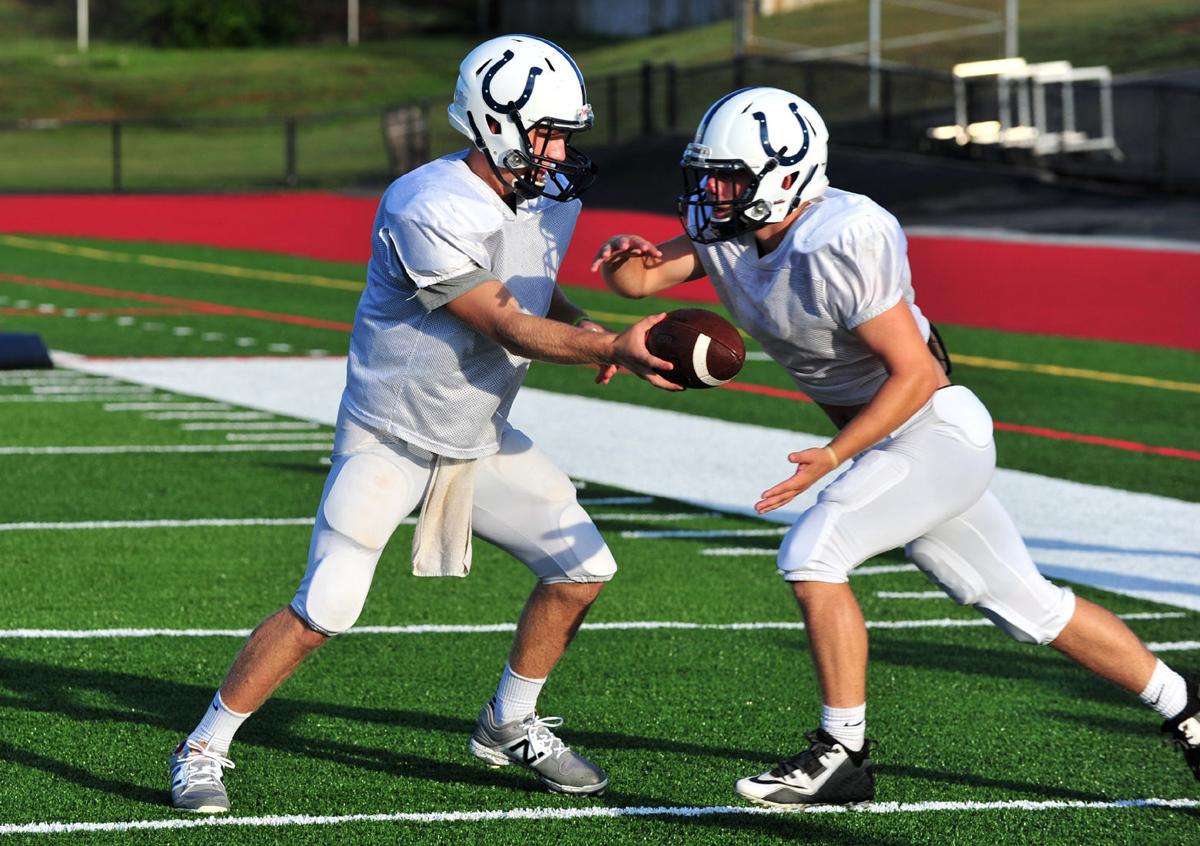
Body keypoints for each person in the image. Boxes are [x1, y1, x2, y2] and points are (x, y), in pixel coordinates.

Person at [592, 86, 1200, 808]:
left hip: (934, 431)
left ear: (785, 173)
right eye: (707, 174)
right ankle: (1186, 706)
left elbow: (915, 375)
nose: (710, 191)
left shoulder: (843, 235)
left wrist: (836, 455)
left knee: (813, 551)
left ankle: (841, 753)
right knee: (1028, 607)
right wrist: (617, 258)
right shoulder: (726, 230)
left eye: (727, 177)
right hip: (893, 445)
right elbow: (638, 281)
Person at [169, 34, 680, 813]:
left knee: (583, 569)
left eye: (563, 132)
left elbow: (533, 296)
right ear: (493, 121)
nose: (558, 148)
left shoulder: (551, 197)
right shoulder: (427, 202)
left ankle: (508, 723)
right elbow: (503, 322)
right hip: (393, 435)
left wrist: (588, 328)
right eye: (545, 131)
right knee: (329, 604)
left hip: (479, 436)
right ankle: (204, 745)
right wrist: (608, 346)